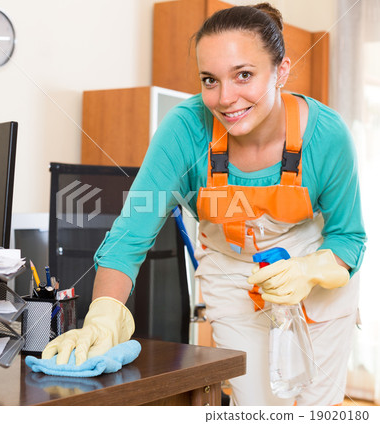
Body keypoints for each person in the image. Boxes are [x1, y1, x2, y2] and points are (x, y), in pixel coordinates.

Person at [42, 3, 366, 406]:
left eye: (244, 75)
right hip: (233, 275)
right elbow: (130, 233)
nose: (225, 98)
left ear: (281, 70)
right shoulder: (184, 131)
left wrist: (309, 269)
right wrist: (105, 313)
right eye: (210, 80)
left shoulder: (327, 135)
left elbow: (350, 238)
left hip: (315, 274)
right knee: (257, 406)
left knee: (315, 406)